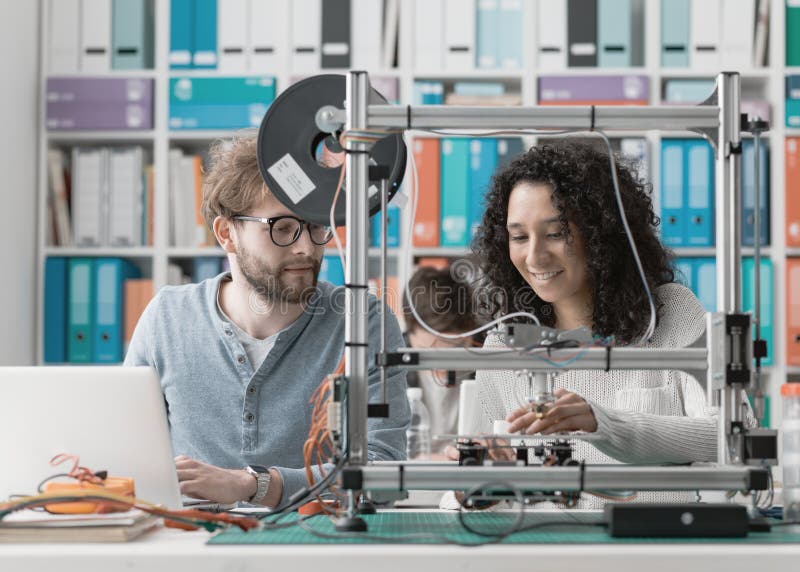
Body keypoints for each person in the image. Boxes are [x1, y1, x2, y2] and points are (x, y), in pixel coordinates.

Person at [452, 142, 754, 505]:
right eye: (519, 237)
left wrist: (603, 423)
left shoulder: (671, 313)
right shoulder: (505, 342)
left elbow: (736, 437)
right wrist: (478, 488)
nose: (534, 256)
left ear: (601, 234)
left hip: (659, 538)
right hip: (549, 540)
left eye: (555, 233)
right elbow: (473, 496)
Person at [124, 135, 410, 508]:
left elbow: (384, 474)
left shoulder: (363, 322)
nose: (306, 247)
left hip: (315, 535)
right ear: (227, 234)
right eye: (283, 227)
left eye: (316, 226)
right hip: (191, 535)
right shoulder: (167, 318)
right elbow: (126, 452)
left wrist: (255, 485)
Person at [402, 265, 484, 455]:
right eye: (429, 353)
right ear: (409, 334)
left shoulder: (490, 357)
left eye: (455, 350)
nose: (443, 367)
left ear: (471, 332)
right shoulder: (389, 368)